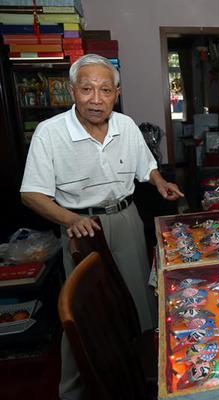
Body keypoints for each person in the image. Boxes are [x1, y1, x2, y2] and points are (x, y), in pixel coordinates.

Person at [20, 53, 184, 399]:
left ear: (117, 92)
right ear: (71, 91)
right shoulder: (49, 134)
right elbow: (31, 194)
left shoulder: (125, 126)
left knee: (139, 298)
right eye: (87, 89)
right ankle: (73, 389)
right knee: (84, 309)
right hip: (81, 226)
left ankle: (145, 372)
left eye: (105, 90)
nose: (96, 99)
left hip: (126, 218)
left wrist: (159, 183)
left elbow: (147, 166)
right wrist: (71, 219)